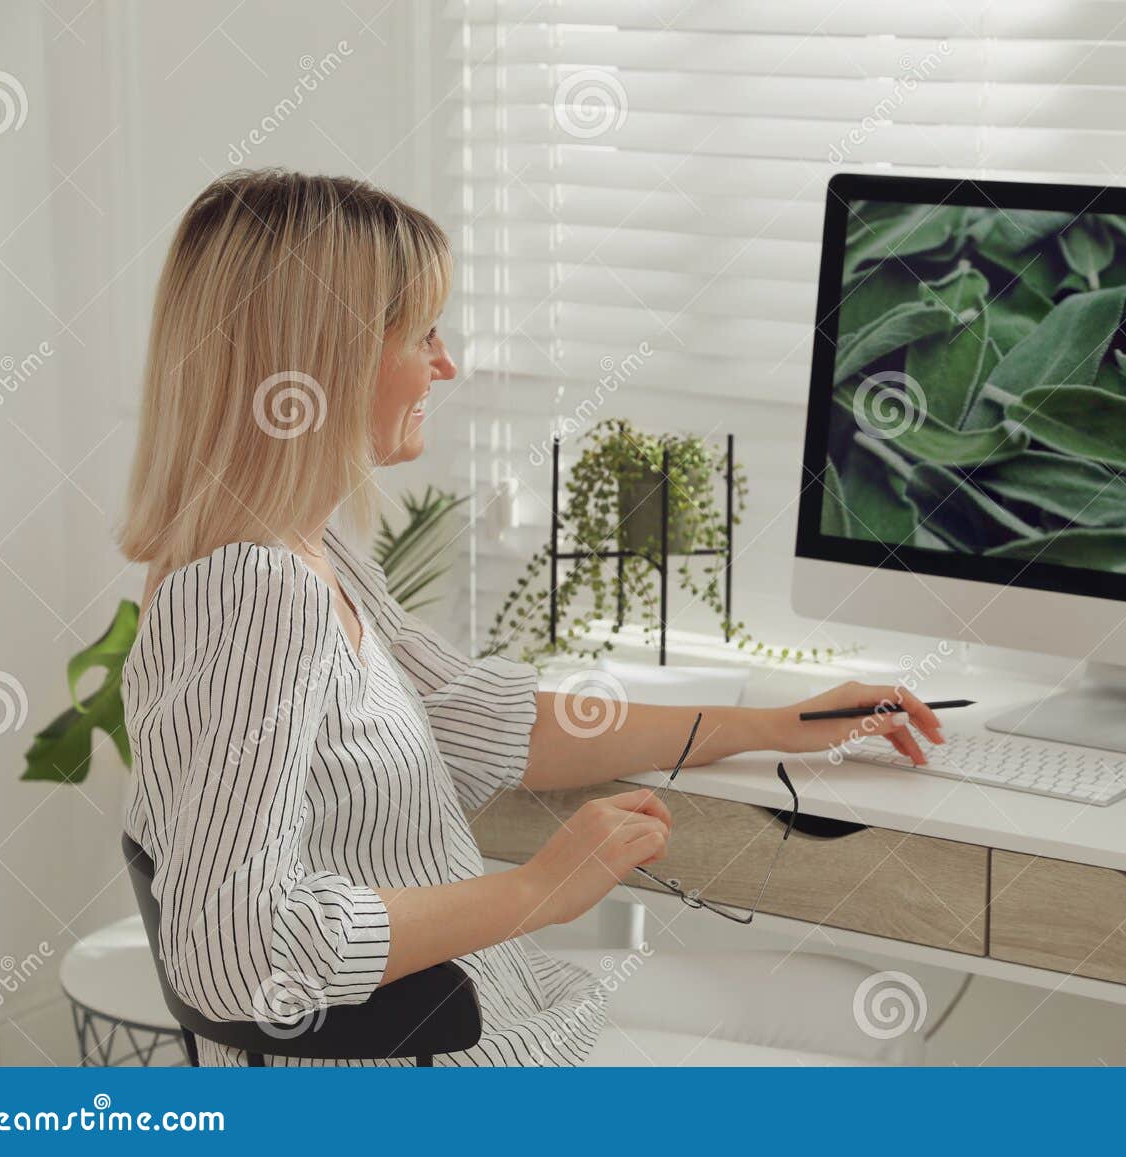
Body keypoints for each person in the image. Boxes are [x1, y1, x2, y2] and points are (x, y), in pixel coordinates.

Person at [116, 169, 944, 1065]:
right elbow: (232, 948)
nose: (446, 364)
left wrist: (775, 722)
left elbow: (480, 718)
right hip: (439, 1063)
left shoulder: (316, 555)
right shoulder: (257, 594)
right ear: (329, 359)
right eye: (422, 334)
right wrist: (541, 889)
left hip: (503, 1000)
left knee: (864, 1006)